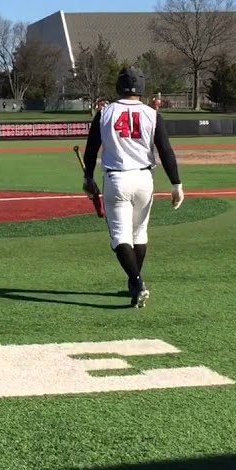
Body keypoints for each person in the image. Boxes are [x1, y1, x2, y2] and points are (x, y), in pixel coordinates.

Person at [81, 67, 184, 309]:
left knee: (120, 236)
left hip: (117, 179)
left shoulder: (105, 112)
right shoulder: (152, 113)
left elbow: (91, 149)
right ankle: (134, 282)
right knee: (139, 234)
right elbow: (166, 151)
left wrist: (88, 177)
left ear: (119, 87)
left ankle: (136, 282)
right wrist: (176, 183)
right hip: (144, 179)